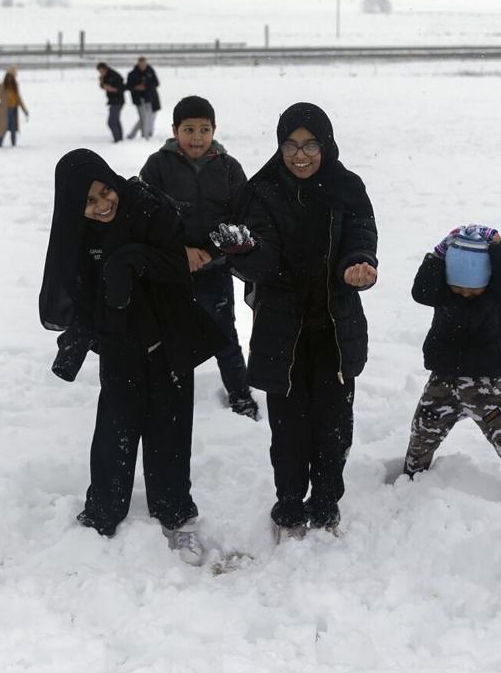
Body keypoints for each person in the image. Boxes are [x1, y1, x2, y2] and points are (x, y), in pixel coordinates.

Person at [38, 149, 226, 565]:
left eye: (105, 191)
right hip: (120, 346)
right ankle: (103, 514)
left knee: (169, 434)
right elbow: (81, 293)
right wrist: (79, 338)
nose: (103, 204)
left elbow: (178, 265)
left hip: (168, 342)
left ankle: (176, 516)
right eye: (89, 201)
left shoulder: (146, 207)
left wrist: (128, 260)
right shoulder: (78, 233)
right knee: (114, 433)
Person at [212, 103, 378, 541]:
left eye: (309, 145)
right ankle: (288, 505)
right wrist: (245, 250)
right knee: (287, 430)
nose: (300, 155)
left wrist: (359, 262)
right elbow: (264, 262)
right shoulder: (263, 190)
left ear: (326, 145)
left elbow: (361, 234)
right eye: (290, 145)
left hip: (334, 329)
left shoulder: (347, 187)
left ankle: (325, 503)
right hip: (281, 332)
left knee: (333, 426)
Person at [139, 95, 259, 420]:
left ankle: (240, 395)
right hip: (171, 272)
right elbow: (145, 216)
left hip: (214, 271)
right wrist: (181, 253)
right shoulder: (157, 166)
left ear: (214, 130)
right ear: (174, 130)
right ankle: (167, 396)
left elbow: (243, 218)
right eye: (189, 129)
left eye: (204, 130)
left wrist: (209, 251)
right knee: (167, 337)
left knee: (224, 336)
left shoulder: (229, 168)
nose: (197, 137)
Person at [401, 224, 501, 494]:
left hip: (485, 386)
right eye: (458, 288)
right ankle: (412, 477)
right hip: (442, 381)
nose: (465, 294)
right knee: (423, 430)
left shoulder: (498, 293)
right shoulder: (442, 292)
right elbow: (421, 291)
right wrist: (437, 255)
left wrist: (499, 244)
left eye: (473, 290)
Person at [125, 57, 161, 140]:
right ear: (138, 63)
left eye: (144, 64)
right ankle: (145, 136)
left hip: (150, 98)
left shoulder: (150, 71)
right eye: (141, 64)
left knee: (147, 117)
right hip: (138, 99)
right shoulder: (132, 74)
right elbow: (128, 86)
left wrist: (146, 87)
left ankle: (135, 135)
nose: (142, 65)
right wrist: (136, 87)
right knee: (144, 117)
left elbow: (156, 83)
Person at [0, 67, 29, 148]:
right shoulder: (2, 86)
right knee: (2, 129)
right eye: (9, 76)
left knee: (13, 129)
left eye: (12, 77)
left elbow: (19, 99)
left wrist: (25, 110)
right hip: (4, 111)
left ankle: (13, 145)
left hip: (13, 111)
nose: (10, 79)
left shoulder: (15, 86)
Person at [97, 63, 126, 143]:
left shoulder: (115, 75)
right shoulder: (105, 76)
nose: (100, 73)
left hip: (118, 101)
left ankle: (117, 139)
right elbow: (104, 87)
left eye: (101, 71)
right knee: (116, 120)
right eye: (99, 71)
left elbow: (123, 88)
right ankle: (119, 139)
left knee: (111, 122)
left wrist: (113, 89)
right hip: (112, 101)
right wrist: (101, 82)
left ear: (105, 69)